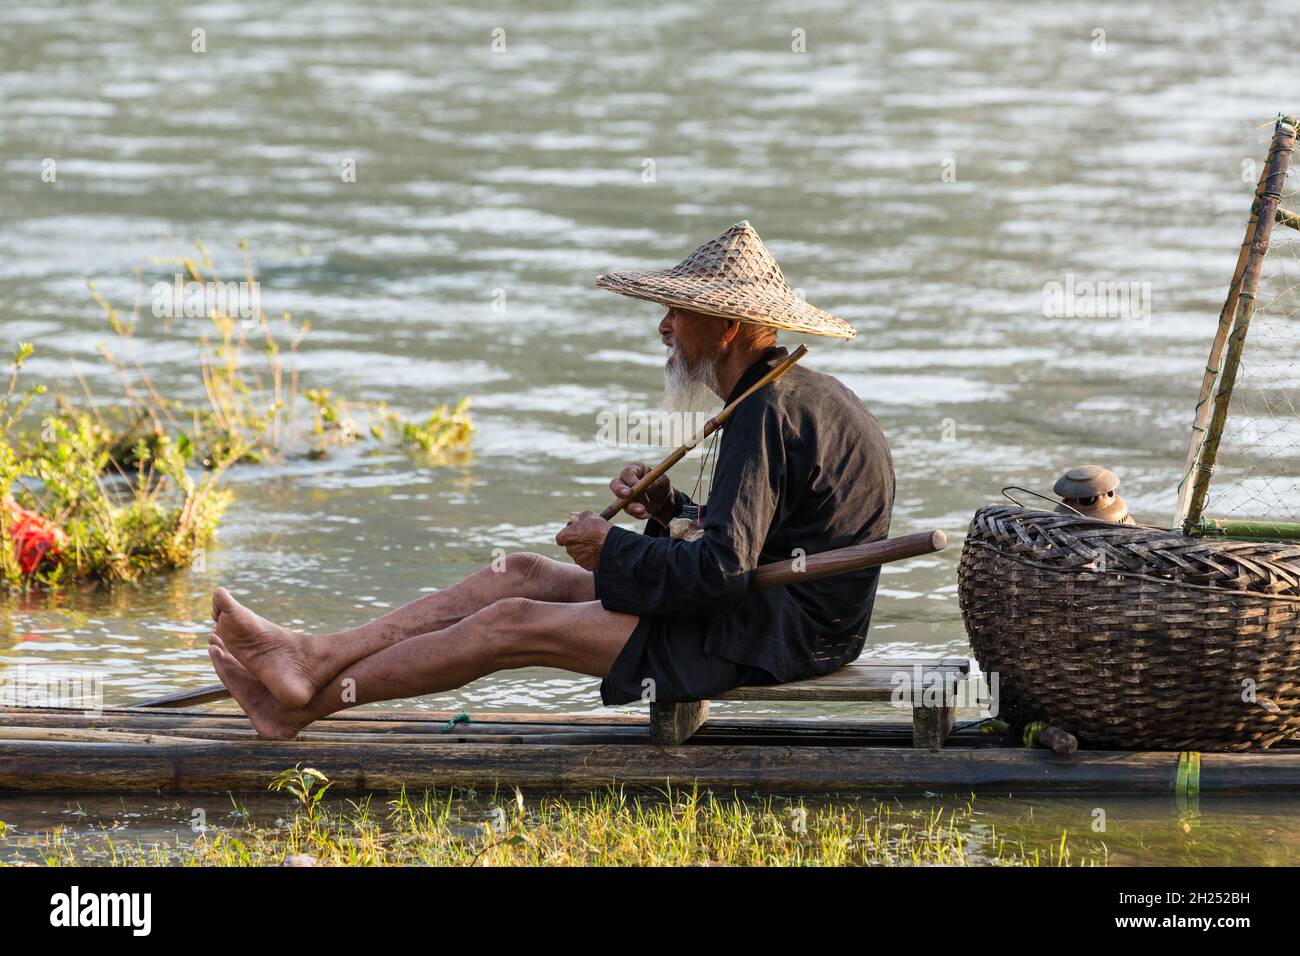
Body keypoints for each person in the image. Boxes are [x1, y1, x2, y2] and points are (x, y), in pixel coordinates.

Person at [208, 220, 895, 738]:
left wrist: (615, 547)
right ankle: (308, 655)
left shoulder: (766, 411)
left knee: (509, 623)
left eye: (678, 312)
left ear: (732, 328)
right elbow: (746, 538)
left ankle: (292, 707)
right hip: (755, 608)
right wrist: (668, 508)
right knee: (520, 575)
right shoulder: (779, 395)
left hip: (774, 634)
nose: (663, 327)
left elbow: (721, 572)